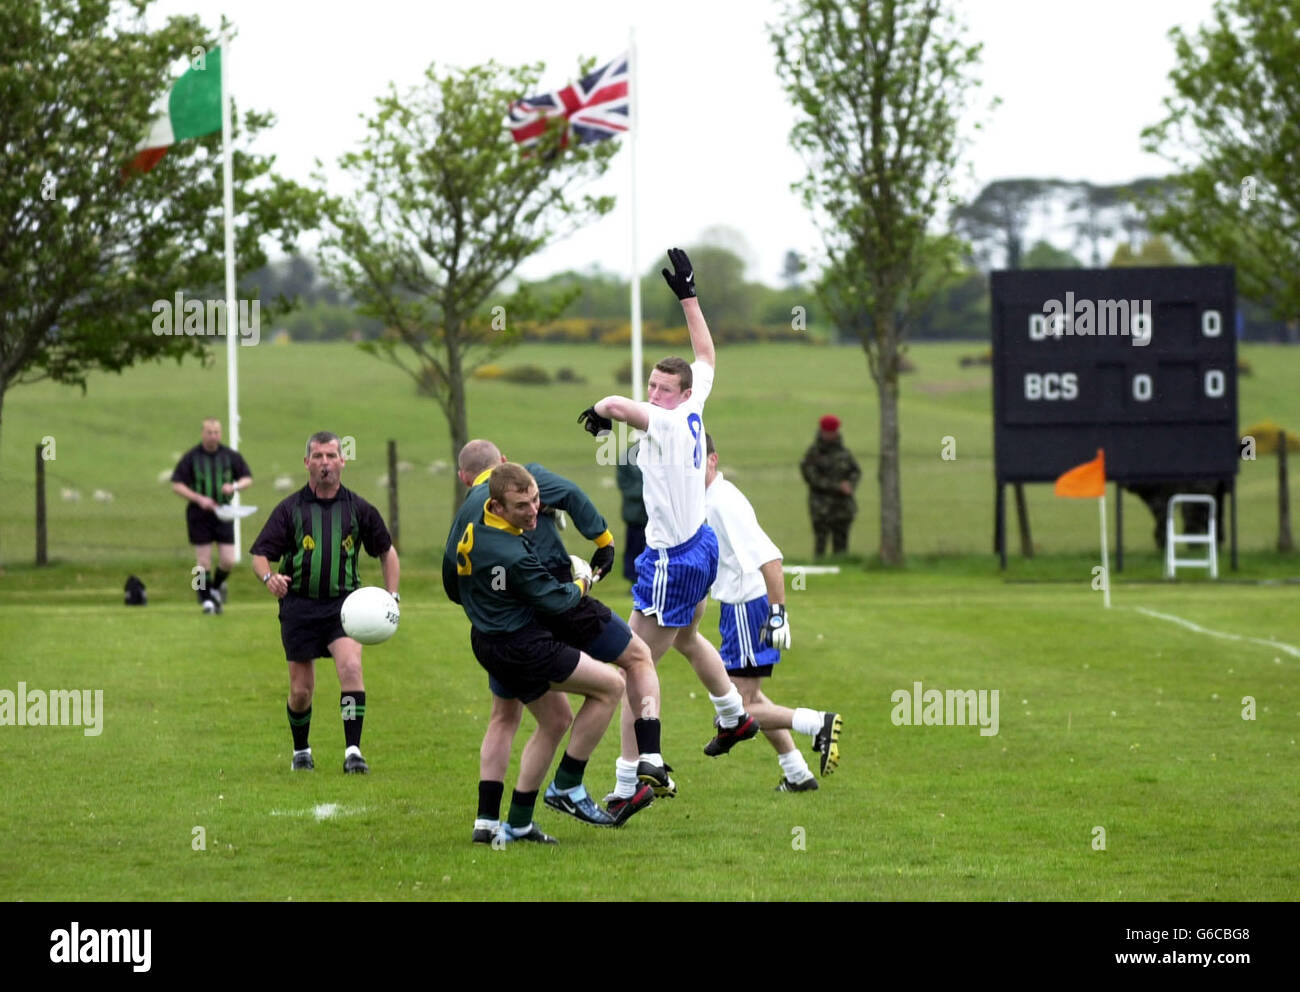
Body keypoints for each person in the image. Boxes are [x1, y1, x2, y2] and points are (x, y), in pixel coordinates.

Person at [579, 247, 759, 806]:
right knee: (686, 639)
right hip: (701, 549)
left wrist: (601, 406)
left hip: (672, 562)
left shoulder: (665, 422)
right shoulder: (696, 398)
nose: (653, 394)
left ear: (680, 396)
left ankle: (631, 781)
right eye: (651, 386)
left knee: (631, 669)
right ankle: (733, 715)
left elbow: (618, 404)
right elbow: (704, 351)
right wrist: (688, 296)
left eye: (662, 388)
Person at [448, 440, 659, 843]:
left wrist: (482, 604)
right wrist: (593, 566)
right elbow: (556, 597)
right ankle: (598, 775)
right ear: (502, 473)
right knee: (623, 673)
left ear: (465, 478)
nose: (533, 511)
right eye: (523, 505)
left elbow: (450, 578)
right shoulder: (514, 544)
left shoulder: (467, 516)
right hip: (532, 629)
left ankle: (504, 822)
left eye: (536, 503)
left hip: (490, 633)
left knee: (546, 718)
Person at [249, 431, 399, 775]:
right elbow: (260, 555)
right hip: (299, 607)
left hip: (345, 608)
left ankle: (353, 751)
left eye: (332, 456)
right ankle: (301, 749)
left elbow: (386, 552)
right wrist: (268, 577)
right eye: (318, 457)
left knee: (351, 669)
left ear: (343, 461)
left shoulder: (359, 508)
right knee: (301, 691)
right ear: (307, 463)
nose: (325, 463)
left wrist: (392, 596)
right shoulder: (289, 509)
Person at [704, 433, 842, 791]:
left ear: (713, 460)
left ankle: (817, 723)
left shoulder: (722, 502)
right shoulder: (707, 498)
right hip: (737, 608)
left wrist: (778, 613)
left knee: (739, 709)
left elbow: (771, 558)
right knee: (746, 700)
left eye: (696, 460)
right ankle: (797, 773)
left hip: (747, 610)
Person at [171, 418, 252, 613]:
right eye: (209, 432)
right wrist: (198, 498)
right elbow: (177, 484)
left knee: (228, 560)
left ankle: (215, 588)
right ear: (202, 433)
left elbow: (247, 478)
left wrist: (233, 486)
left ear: (221, 434)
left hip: (223, 513)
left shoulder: (230, 456)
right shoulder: (192, 457)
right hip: (199, 515)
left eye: (216, 432)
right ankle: (204, 597)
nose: (213, 436)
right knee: (202, 561)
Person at [800, 414, 861, 558]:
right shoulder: (813, 454)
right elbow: (812, 478)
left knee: (841, 547)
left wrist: (850, 485)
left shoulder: (844, 453)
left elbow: (856, 471)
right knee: (820, 544)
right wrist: (837, 486)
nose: (830, 435)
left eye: (833, 432)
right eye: (828, 432)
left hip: (842, 508)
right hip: (821, 508)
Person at [617, 440, 647, 582]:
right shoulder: (627, 457)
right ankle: (633, 578)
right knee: (634, 546)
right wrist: (645, 490)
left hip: (652, 515)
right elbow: (624, 484)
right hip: (635, 513)